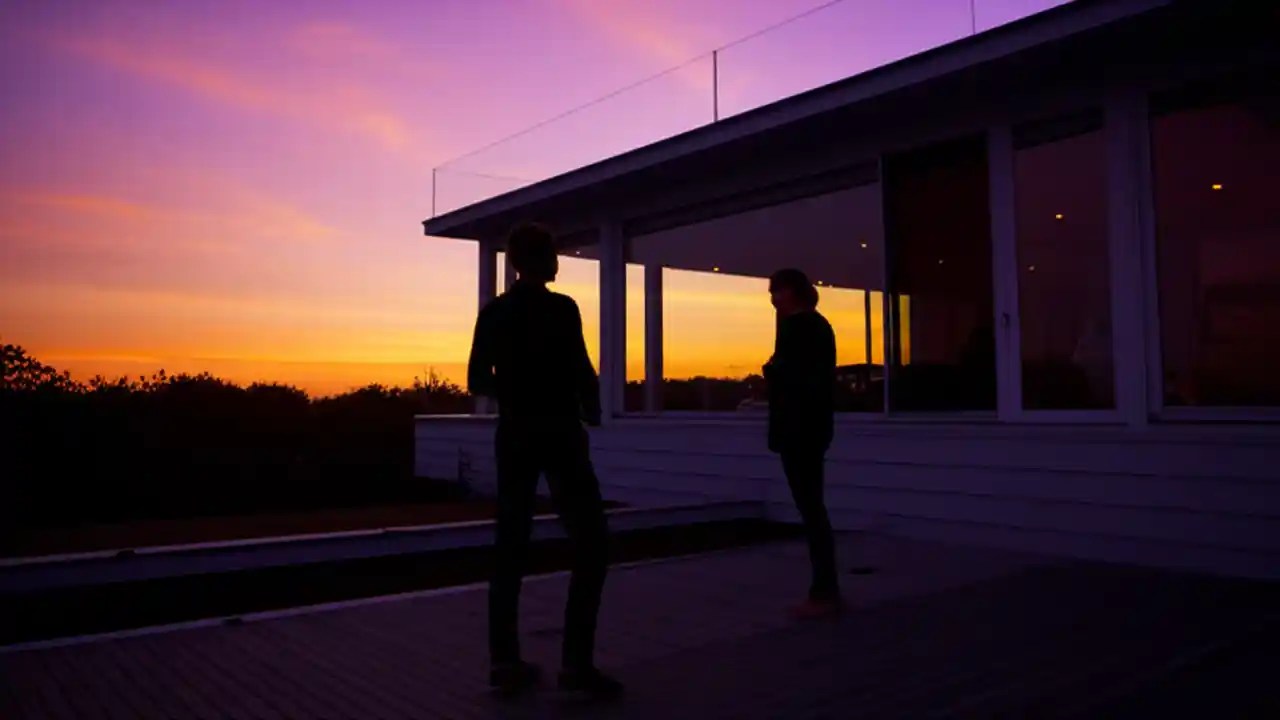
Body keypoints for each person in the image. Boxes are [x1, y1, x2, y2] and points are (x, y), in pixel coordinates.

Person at [467, 222, 623, 700]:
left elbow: (477, 377)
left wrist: (516, 393)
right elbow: (581, 368)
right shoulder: (562, 309)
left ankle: (504, 662)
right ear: (544, 260)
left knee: (510, 547)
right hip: (559, 434)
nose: (559, 261)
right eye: (555, 253)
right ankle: (576, 666)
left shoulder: (495, 312)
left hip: (515, 435)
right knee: (592, 545)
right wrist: (590, 409)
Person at [763, 268, 841, 618]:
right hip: (813, 429)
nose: (772, 299)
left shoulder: (798, 328)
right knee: (813, 509)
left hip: (800, 431)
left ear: (791, 292)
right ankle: (826, 588)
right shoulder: (819, 326)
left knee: (811, 510)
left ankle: (824, 592)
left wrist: (771, 371)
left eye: (776, 292)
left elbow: (791, 377)